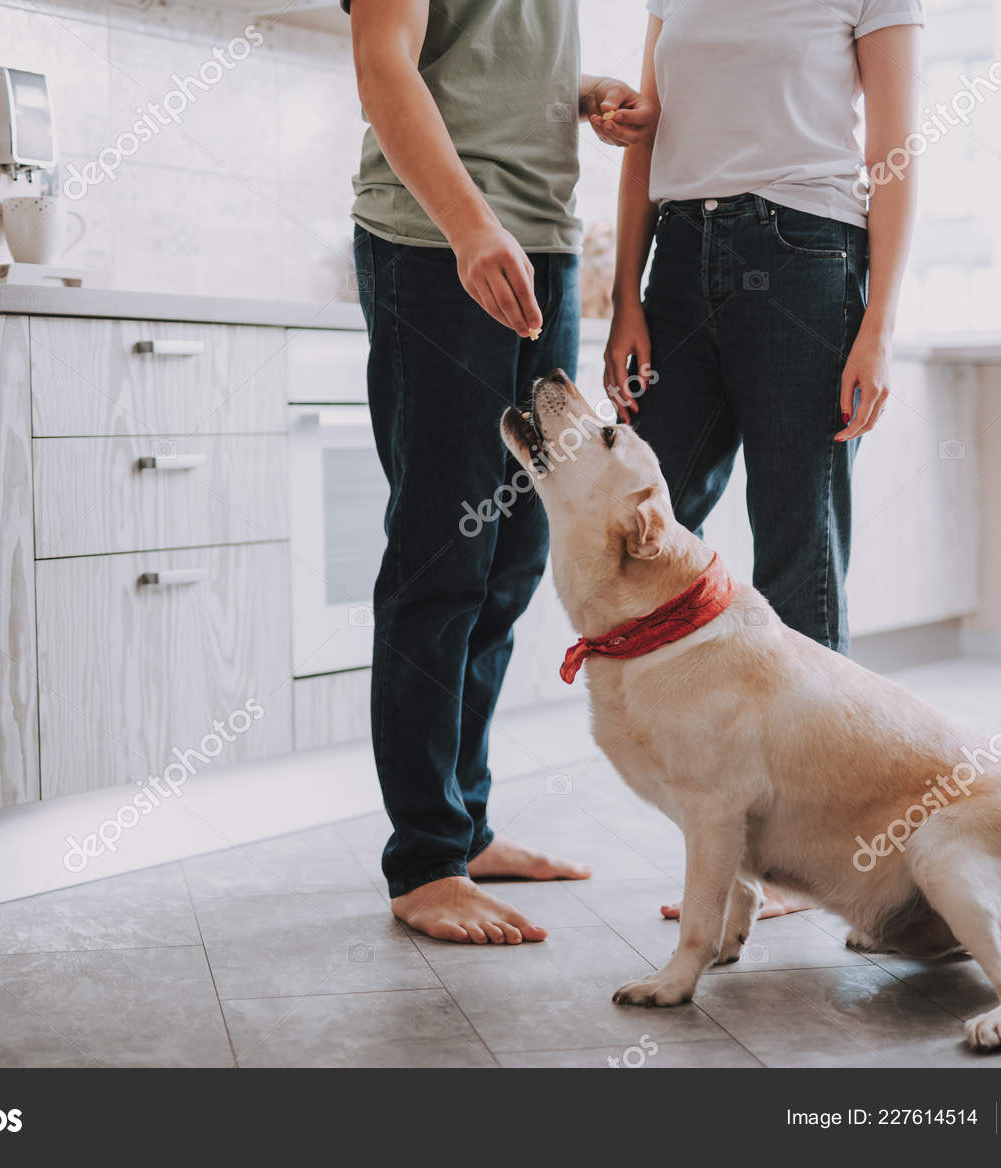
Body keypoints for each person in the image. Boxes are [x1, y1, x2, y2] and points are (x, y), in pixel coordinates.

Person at [602, 0, 924, 922]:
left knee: (798, 543)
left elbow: (894, 154)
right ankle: (720, 832)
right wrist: (627, 296)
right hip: (679, 262)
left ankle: (805, 857)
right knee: (653, 535)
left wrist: (880, 325)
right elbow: (646, 143)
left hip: (805, 255)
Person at [345, 0, 655, 943]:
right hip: (438, 247)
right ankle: (426, 862)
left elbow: (482, 63)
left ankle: (465, 825)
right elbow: (385, 62)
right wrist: (471, 225)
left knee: (511, 562)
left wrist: (583, 92)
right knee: (442, 563)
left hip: (542, 249)